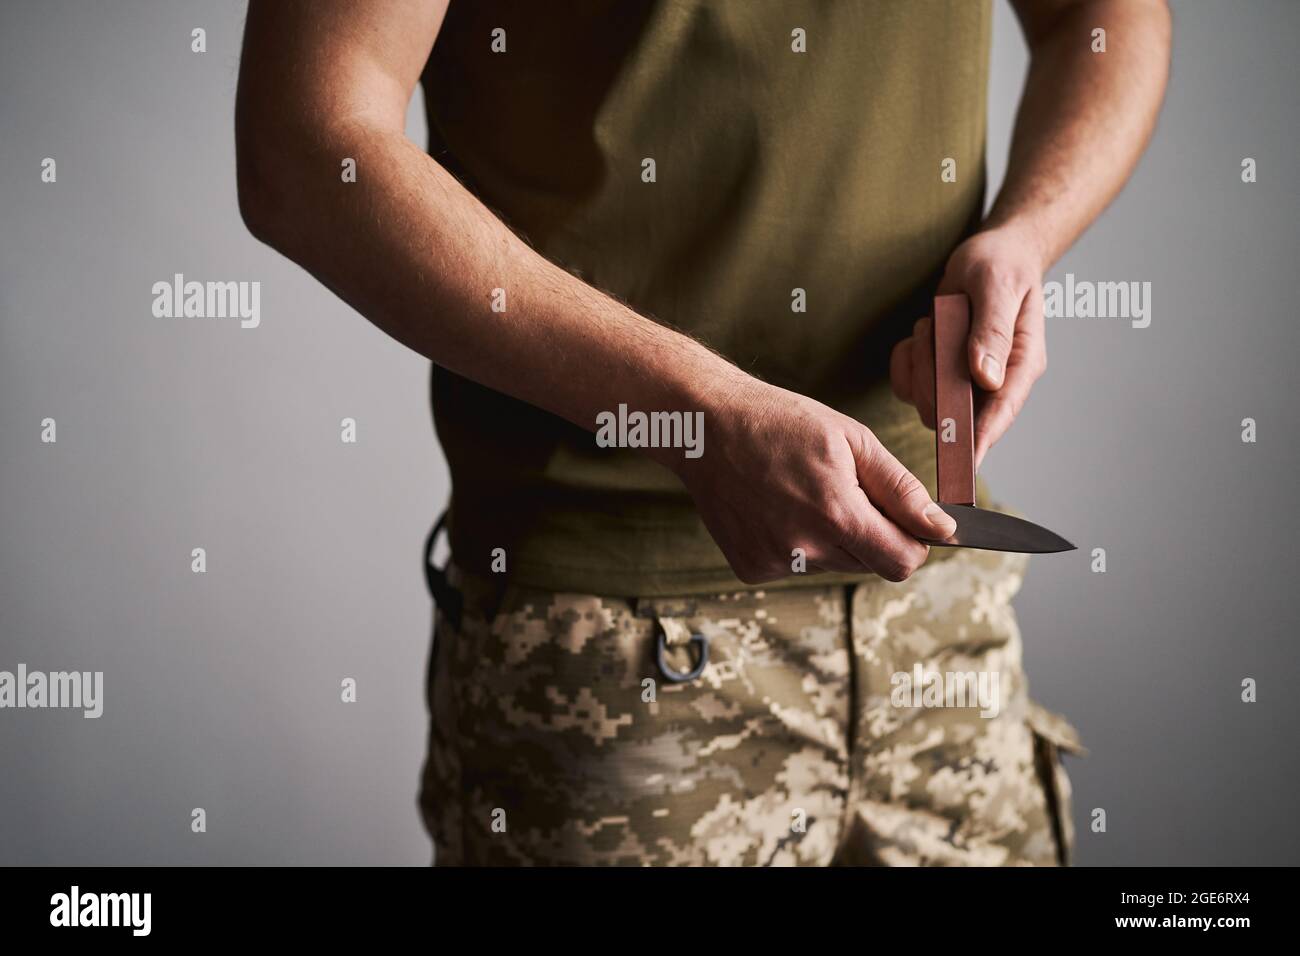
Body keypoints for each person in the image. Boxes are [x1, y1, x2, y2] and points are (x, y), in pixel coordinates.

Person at [235, 0, 1170, 865]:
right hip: (611, 653)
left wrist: (1026, 232)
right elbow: (307, 141)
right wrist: (692, 415)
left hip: (942, 612)